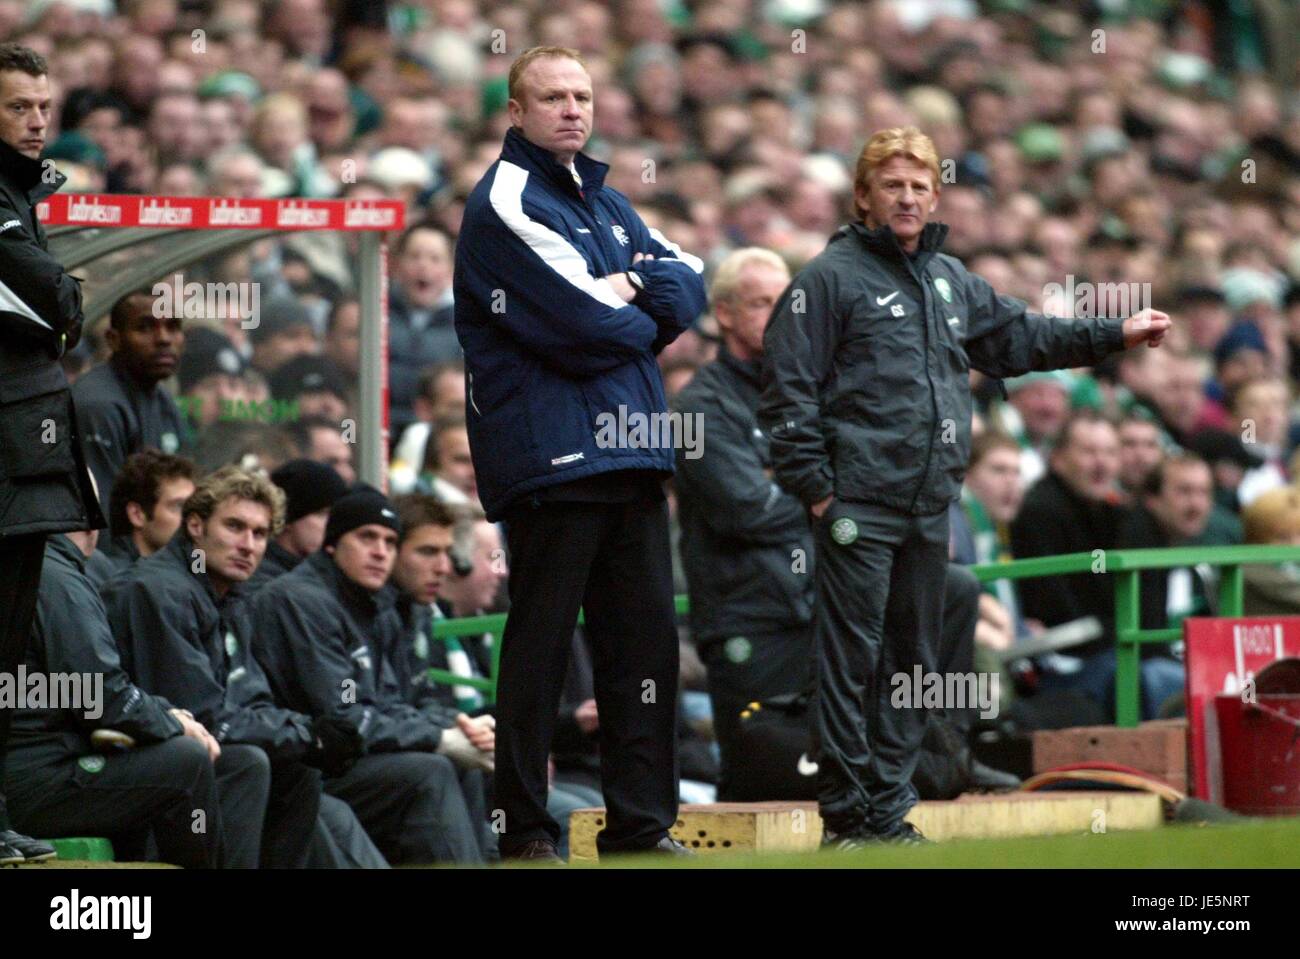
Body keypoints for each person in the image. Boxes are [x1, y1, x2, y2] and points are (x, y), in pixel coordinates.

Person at [758, 127, 1169, 848]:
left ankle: (887, 807)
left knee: (914, 665)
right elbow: (787, 390)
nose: (908, 197)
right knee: (852, 662)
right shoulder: (827, 280)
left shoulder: (949, 279)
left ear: (936, 194)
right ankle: (847, 817)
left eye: (920, 185)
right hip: (858, 505)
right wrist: (820, 492)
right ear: (863, 196)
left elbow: (1024, 336)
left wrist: (1114, 333)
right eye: (892, 184)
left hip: (927, 505)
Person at [454, 46, 706, 860]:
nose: (572, 109)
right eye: (553, 96)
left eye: (583, 96)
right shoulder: (504, 199)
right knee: (542, 643)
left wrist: (634, 297)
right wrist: (634, 298)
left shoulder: (609, 200)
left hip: (633, 450)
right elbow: (583, 325)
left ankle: (641, 825)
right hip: (552, 455)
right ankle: (526, 828)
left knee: (645, 648)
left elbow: (691, 277)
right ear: (515, 112)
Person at [101, 466, 350, 868]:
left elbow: (251, 700)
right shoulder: (159, 591)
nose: (248, 545)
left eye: (260, 533)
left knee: (298, 766)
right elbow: (205, 716)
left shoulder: (228, 596)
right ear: (196, 526)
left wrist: (307, 736)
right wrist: (307, 733)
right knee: (249, 761)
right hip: (131, 762)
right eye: (235, 527)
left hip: (188, 754)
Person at [249, 486, 492, 864]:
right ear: (332, 544)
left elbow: (394, 704)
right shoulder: (301, 600)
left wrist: (458, 730)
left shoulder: (377, 604)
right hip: (307, 768)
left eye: (389, 542)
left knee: (464, 762)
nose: (380, 552)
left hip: (355, 759)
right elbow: (344, 716)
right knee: (429, 770)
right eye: (367, 538)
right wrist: (439, 738)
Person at [0, 41, 106, 866]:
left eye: (43, 108)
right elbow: (58, 299)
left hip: (24, 466)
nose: (36, 123)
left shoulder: (23, 193)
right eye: (17, 108)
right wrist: (59, 305)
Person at [4, 522, 224, 868]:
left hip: (26, 769)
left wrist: (159, 718)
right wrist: (172, 721)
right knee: (187, 762)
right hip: (29, 780)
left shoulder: (27, 565)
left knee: (141, 754)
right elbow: (101, 698)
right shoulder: (56, 578)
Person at [73, 287, 186, 498]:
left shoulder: (163, 400)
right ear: (113, 339)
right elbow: (102, 511)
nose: (164, 339)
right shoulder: (98, 406)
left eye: (172, 327)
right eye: (145, 327)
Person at [85, 449, 196, 591]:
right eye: (178, 506)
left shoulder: (190, 569)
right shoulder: (113, 583)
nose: (191, 520)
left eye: (193, 506)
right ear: (137, 514)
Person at [243, 457, 349, 593]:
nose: (334, 524)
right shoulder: (262, 585)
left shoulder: (328, 576)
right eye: (322, 514)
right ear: (287, 519)